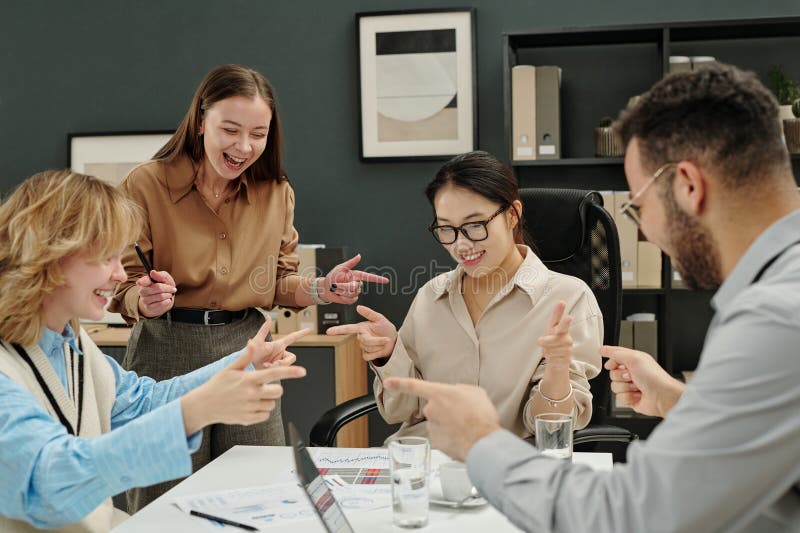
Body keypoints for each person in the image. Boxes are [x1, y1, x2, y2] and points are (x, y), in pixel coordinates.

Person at [384, 64, 800, 532]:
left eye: (638, 207)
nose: (645, 231)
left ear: (688, 186)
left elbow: (631, 516)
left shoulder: (776, 316)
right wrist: (678, 402)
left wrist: (480, 442)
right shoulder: (782, 292)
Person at [109, 64, 388, 511]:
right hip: (167, 352)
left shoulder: (276, 192)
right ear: (202, 121)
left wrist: (322, 289)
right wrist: (141, 298)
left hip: (248, 347)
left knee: (257, 494)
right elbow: (120, 282)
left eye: (258, 134)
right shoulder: (146, 184)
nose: (244, 147)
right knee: (166, 502)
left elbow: (278, 282)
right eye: (230, 130)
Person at [0, 170, 309, 532]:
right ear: (50, 254)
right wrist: (194, 411)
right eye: (106, 258)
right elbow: (47, 481)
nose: (119, 275)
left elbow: (143, 403)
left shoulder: (73, 344)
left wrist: (243, 366)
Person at [328, 151, 603, 440]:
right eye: (446, 228)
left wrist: (557, 370)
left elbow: (552, 430)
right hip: (422, 465)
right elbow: (400, 412)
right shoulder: (430, 297)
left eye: (474, 225)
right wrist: (389, 353)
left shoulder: (568, 300)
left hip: (504, 469)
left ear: (512, 214)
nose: (460, 245)